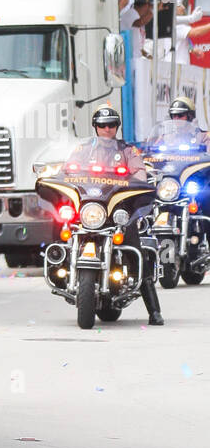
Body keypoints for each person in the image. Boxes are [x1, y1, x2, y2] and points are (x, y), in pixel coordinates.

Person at [66, 106, 163, 325]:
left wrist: (136, 180)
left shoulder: (128, 151)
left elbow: (139, 172)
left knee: (134, 248)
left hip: (118, 211)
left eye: (111, 125)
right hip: (90, 210)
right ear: (96, 127)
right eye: (102, 125)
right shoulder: (82, 150)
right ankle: (61, 267)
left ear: (117, 127)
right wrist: (62, 175)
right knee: (63, 231)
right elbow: (67, 170)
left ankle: (154, 310)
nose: (107, 129)